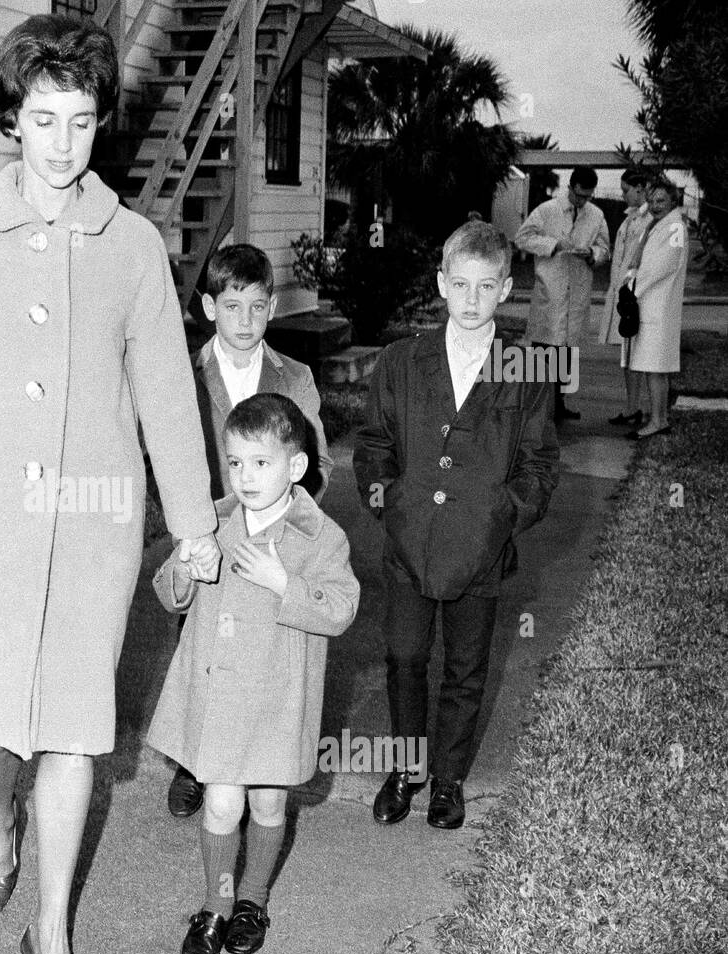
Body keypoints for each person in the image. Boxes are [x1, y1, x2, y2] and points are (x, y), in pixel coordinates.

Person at [0, 13, 220, 954]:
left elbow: (165, 393)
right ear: (10, 121)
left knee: (73, 730)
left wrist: (192, 525)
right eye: (42, 119)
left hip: (94, 528)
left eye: (79, 120)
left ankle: (51, 935)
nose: (62, 143)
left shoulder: (135, 246)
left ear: (100, 121)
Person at [355, 222, 559, 831]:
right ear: (442, 282)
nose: (471, 301)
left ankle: (447, 779)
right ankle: (405, 768)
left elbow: (540, 465)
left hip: (480, 551)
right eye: (460, 285)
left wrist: (502, 517)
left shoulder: (528, 368)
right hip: (409, 545)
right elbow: (373, 445)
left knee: (466, 669)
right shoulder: (400, 360)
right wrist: (389, 504)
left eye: (486, 287)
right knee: (405, 657)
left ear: (505, 290)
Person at [146, 393, 358, 954]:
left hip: (276, 699)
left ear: (296, 467)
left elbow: (341, 610)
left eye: (261, 463)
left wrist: (284, 582)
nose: (245, 477)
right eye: (235, 463)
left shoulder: (322, 536)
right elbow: (166, 592)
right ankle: (215, 906)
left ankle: (253, 901)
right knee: (219, 800)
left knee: (267, 802)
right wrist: (188, 568)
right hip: (219, 696)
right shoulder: (211, 519)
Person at [165, 243, 334, 821]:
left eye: (257, 308)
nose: (244, 322)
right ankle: (196, 762)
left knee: (259, 657)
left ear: (272, 307)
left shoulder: (297, 377)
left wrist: (284, 527)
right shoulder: (179, 374)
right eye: (231, 307)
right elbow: (156, 455)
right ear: (209, 307)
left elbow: (319, 464)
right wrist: (190, 528)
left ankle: (255, 760)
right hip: (202, 537)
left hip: (267, 541)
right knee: (196, 647)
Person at [514, 166, 610, 420]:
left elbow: (604, 248)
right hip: (551, 290)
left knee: (566, 354)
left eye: (587, 197)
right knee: (545, 351)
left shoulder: (597, 215)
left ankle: (559, 405)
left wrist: (592, 254)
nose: (582, 201)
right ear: (570, 187)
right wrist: (552, 245)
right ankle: (540, 409)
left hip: (577, 289)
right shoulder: (547, 210)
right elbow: (522, 238)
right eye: (579, 196)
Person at [626, 178, 689, 440]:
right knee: (655, 369)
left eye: (661, 201)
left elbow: (662, 266)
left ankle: (657, 421)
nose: (654, 206)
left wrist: (633, 290)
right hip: (650, 305)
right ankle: (658, 419)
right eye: (651, 201)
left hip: (657, 306)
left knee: (655, 368)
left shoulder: (674, 226)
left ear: (673, 201)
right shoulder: (657, 224)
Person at [599, 169, 652, 426]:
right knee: (626, 356)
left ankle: (635, 408)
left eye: (626, 190)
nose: (623, 195)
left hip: (633, 294)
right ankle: (631, 407)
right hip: (622, 292)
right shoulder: (629, 219)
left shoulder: (649, 220)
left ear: (640, 187)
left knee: (634, 355)